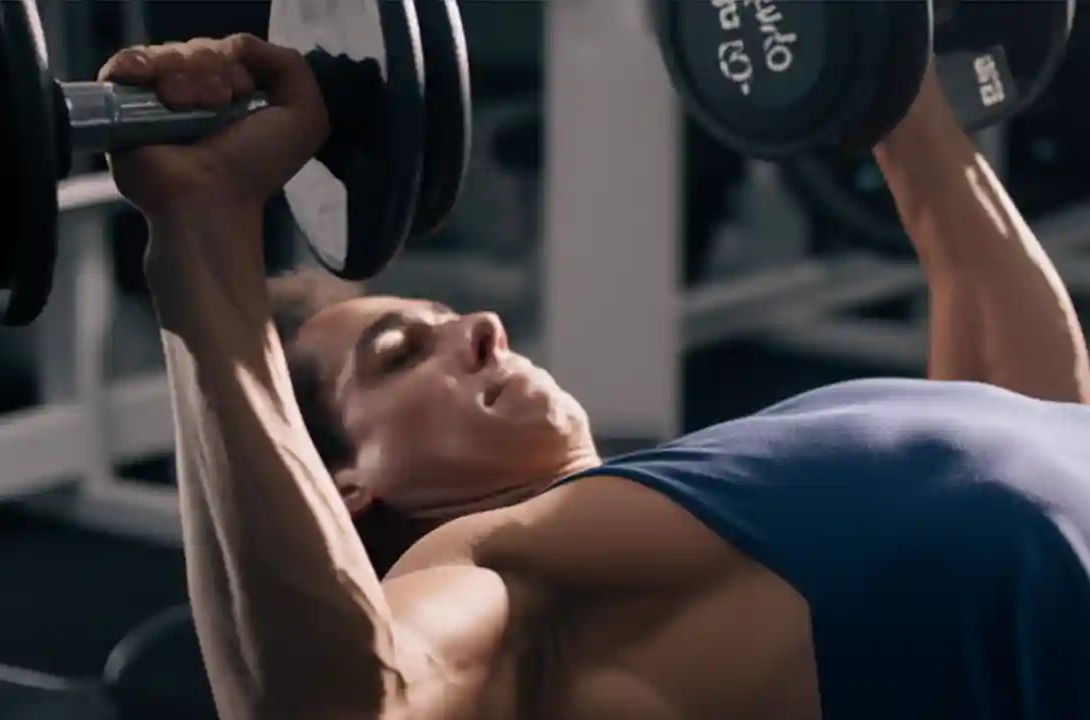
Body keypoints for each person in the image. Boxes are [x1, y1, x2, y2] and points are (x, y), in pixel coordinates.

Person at [99, 33, 1090, 720]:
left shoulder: (705, 495)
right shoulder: (500, 573)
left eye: (448, 318)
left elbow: (1028, 408)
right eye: (403, 354)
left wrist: (881, 75)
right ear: (345, 488)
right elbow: (339, 706)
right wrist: (206, 234)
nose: (480, 329)